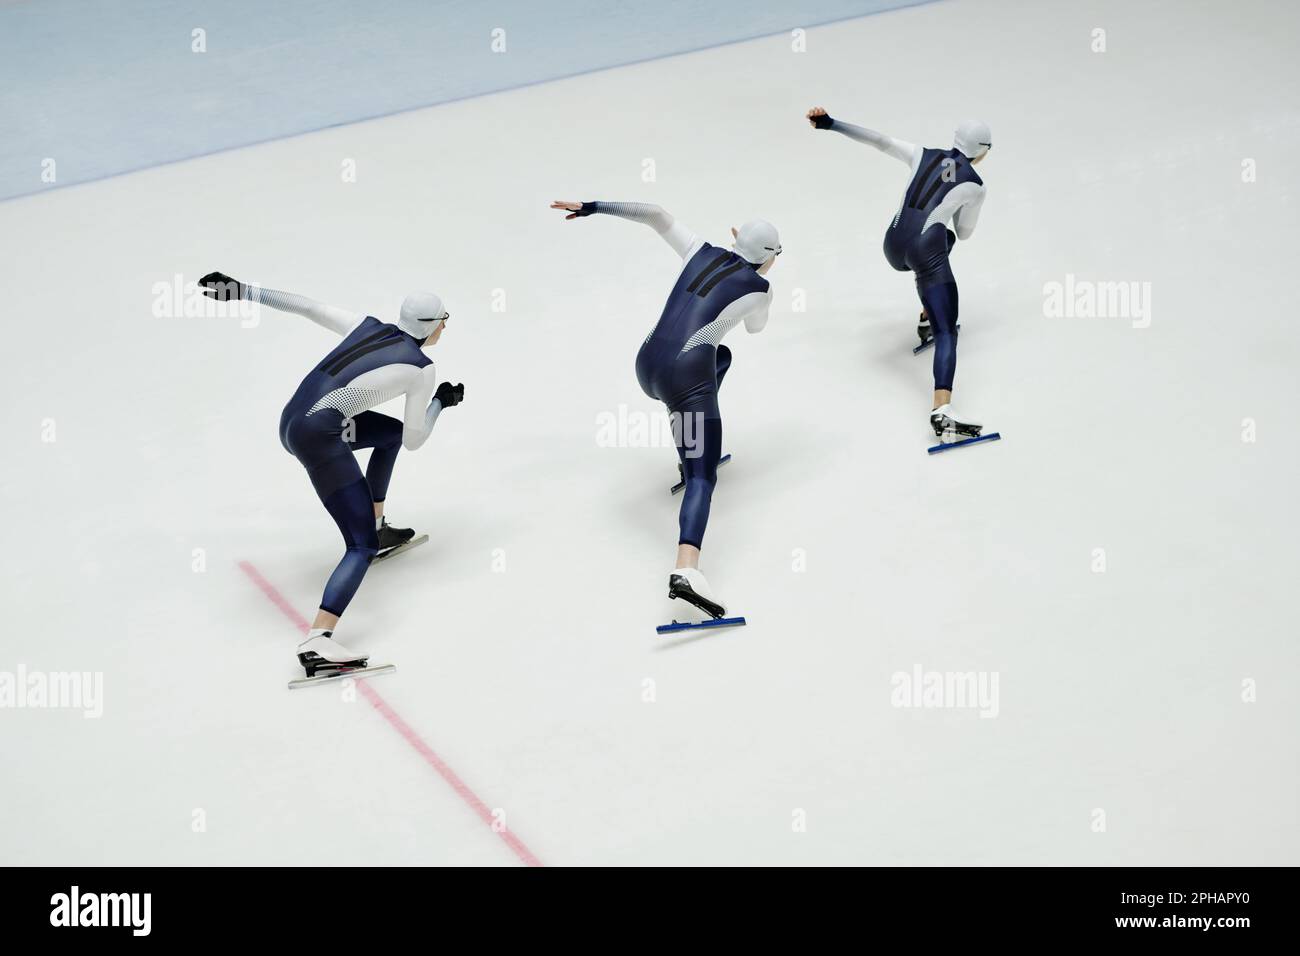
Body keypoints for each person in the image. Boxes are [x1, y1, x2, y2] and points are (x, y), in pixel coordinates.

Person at [200, 272, 464, 677]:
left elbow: (306, 305)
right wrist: (440, 404)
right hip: (321, 437)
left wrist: (243, 291)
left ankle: (377, 524)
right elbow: (417, 439)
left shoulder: (366, 325)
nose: (446, 325)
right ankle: (318, 640)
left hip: (292, 422)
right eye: (444, 319)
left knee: (387, 436)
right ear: (431, 326)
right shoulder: (421, 369)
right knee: (359, 547)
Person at [549, 200, 779, 619]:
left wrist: (592, 207)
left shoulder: (699, 249)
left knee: (720, 358)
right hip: (683, 379)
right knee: (702, 477)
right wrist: (762, 281)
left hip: (647, 364)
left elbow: (655, 214)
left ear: (733, 239)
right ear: (768, 258)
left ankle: (688, 444)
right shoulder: (760, 288)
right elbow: (756, 327)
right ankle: (686, 571)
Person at [806, 107, 991, 441]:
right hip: (924, 253)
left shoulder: (922, 154)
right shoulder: (976, 186)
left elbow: (879, 140)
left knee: (942, 239)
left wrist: (831, 124)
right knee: (947, 331)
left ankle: (924, 318)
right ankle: (942, 410)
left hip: (893, 245)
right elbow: (964, 232)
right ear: (982, 151)